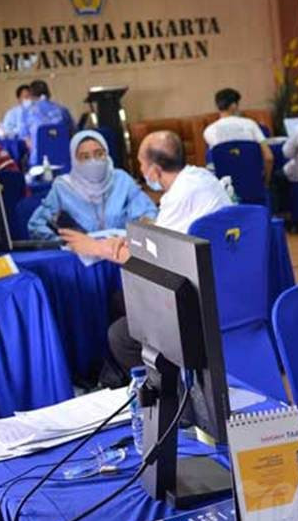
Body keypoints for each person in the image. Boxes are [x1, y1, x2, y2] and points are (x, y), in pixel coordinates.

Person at [59, 131, 231, 383]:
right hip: (221, 285)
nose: (140, 170)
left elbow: (153, 262)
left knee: (119, 335)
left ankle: (176, 392)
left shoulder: (178, 195)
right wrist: (135, 239)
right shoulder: (199, 177)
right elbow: (169, 234)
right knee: (121, 299)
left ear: (155, 170)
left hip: (201, 301)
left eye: (141, 164)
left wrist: (96, 248)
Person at [27, 130, 158, 239]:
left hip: (120, 252)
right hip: (82, 259)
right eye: (85, 157)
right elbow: (37, 225)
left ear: (107, 154)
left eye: (99, 154)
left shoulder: (121, 179)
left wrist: (144, 225)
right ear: (74, 160)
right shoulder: (63, 187)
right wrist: (65, 242)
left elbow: (148, 213)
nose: (93, 161)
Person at [203, 87, 273, 186]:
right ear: (234, 105)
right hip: (253, 184)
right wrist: (265, 183)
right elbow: (269, 157)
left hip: (226, 189)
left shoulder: (209, 131)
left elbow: (212, 163)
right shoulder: (251, 124)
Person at [21, 79, 75, 146]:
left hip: (39, 154)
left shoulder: (27, 112)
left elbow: (26, 139)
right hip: (63, 152)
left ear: (31, 95)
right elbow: (73, 132)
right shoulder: (62, 110)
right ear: (48, 93)